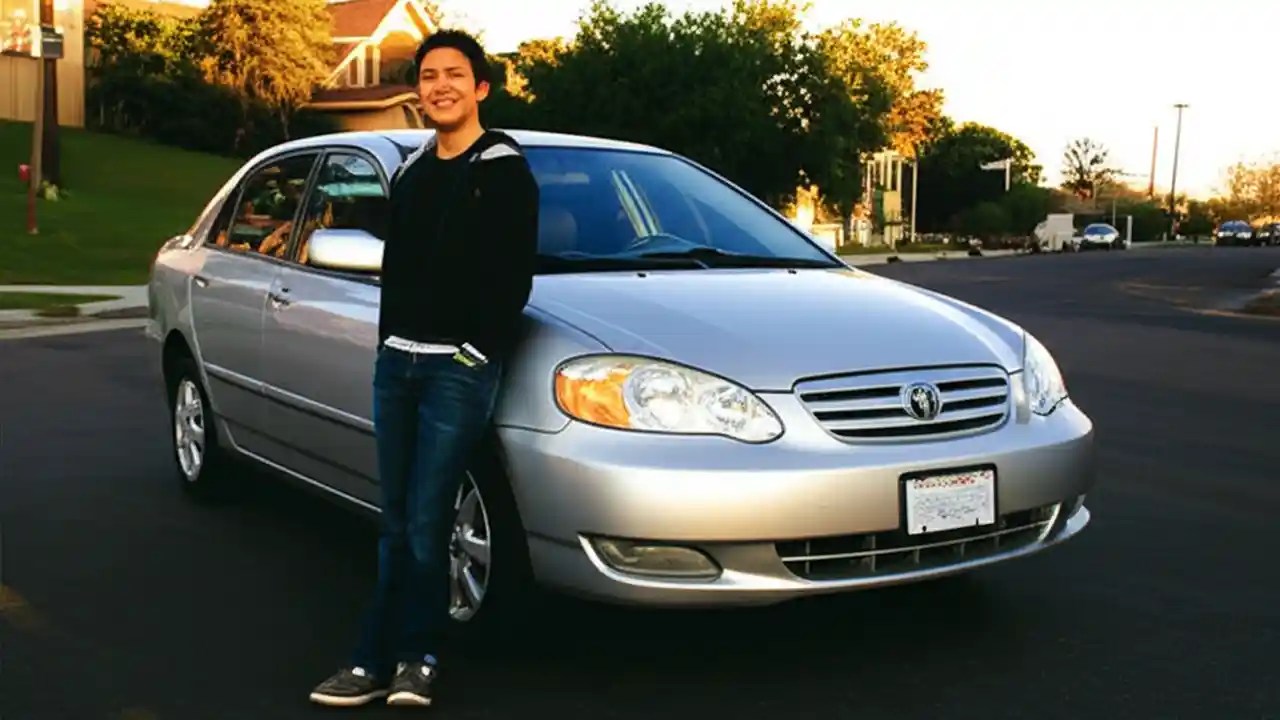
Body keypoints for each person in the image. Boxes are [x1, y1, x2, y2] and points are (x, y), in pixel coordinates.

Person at [309, 28, 540, 709]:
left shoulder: (502, 169)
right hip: (398, 367)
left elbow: (511, 278)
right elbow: (398, 271)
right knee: (396, 519)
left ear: (480, 89)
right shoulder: (411, 170)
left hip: (455, 372)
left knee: (426, 519)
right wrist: (389, 347)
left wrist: (475, 352)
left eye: (453, 74)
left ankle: (412, 657)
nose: (439, 85)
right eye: (429, 74)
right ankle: (376, 660)